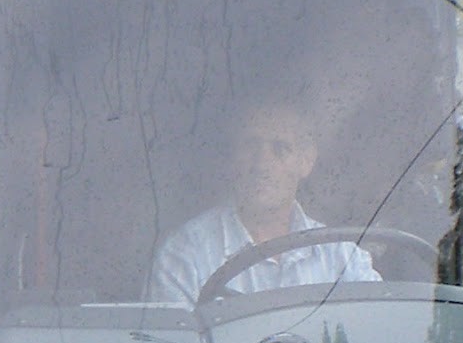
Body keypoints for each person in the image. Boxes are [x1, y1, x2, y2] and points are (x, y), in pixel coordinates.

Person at [146, 91, 380, 306]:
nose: (262, 164)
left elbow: (377, 333)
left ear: (306, 161)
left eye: (280, 149)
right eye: (251, 146)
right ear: (232, 157)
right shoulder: (185, 254)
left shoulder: (341, 257)